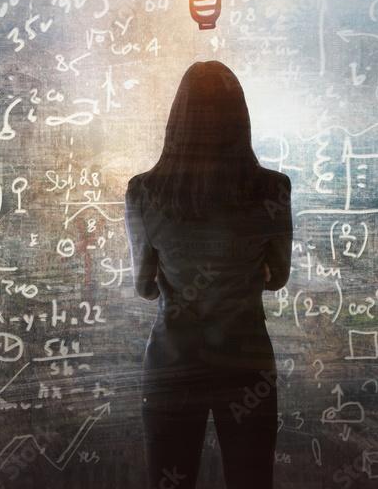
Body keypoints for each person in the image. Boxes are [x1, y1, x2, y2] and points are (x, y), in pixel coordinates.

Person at [125, 60, 293, 489]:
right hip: (247, 363)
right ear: (239, 118)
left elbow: (144, 286)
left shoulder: (145, 191)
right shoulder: (271, 189)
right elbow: (278, 277)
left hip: (173, 365)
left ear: (177, 119)